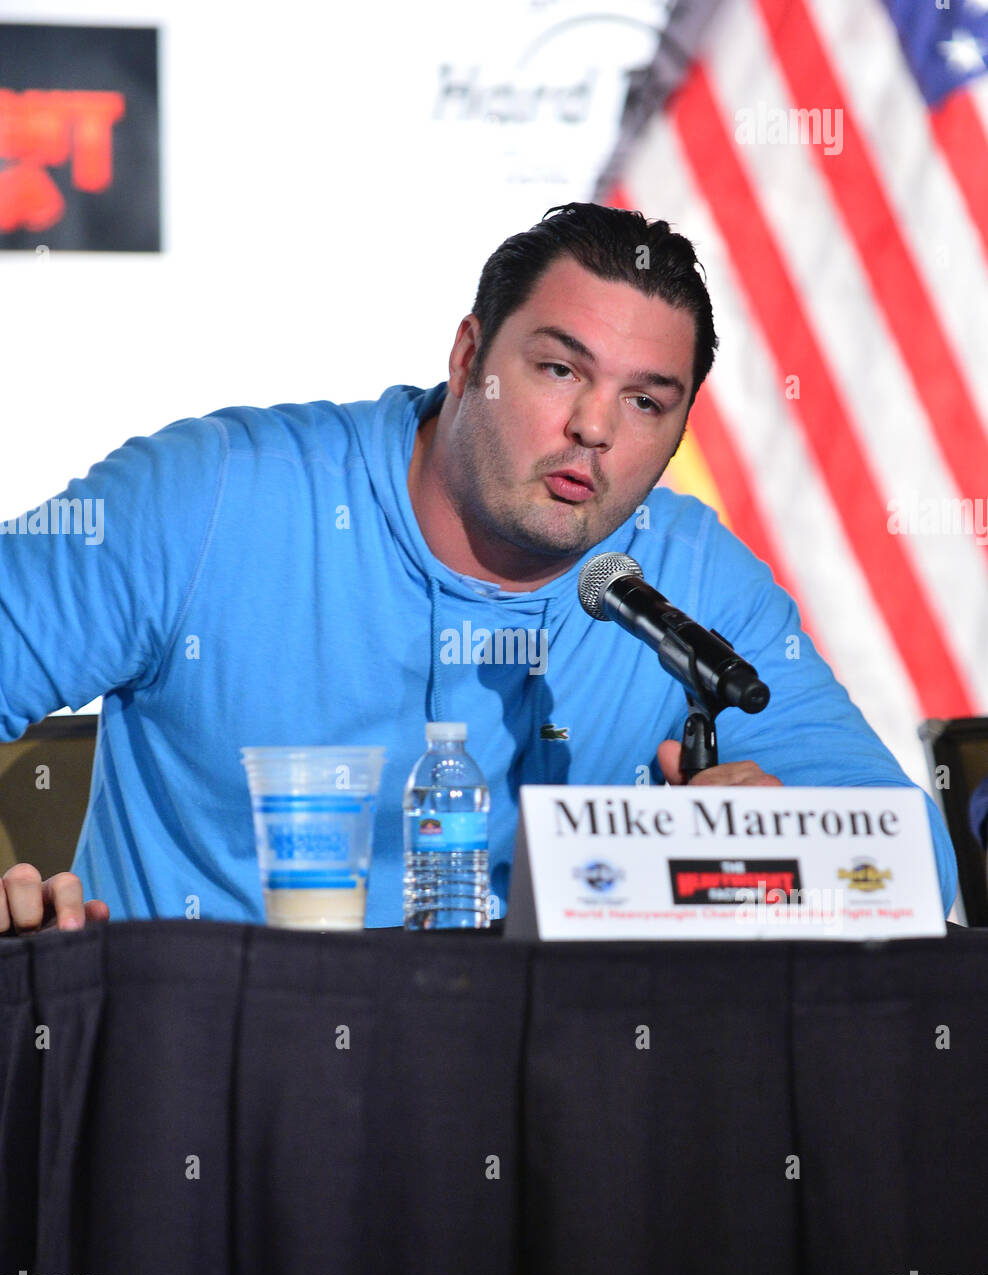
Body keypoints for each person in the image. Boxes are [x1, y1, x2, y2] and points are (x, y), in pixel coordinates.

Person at [0, 203, 958, 933]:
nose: (594, 428)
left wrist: (783, 849)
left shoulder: (689, 586)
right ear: (468, 356)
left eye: (645, 402)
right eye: (559, 371)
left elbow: (915, 863)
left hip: (529, 1114)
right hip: (201, 1091)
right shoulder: (209, 499)